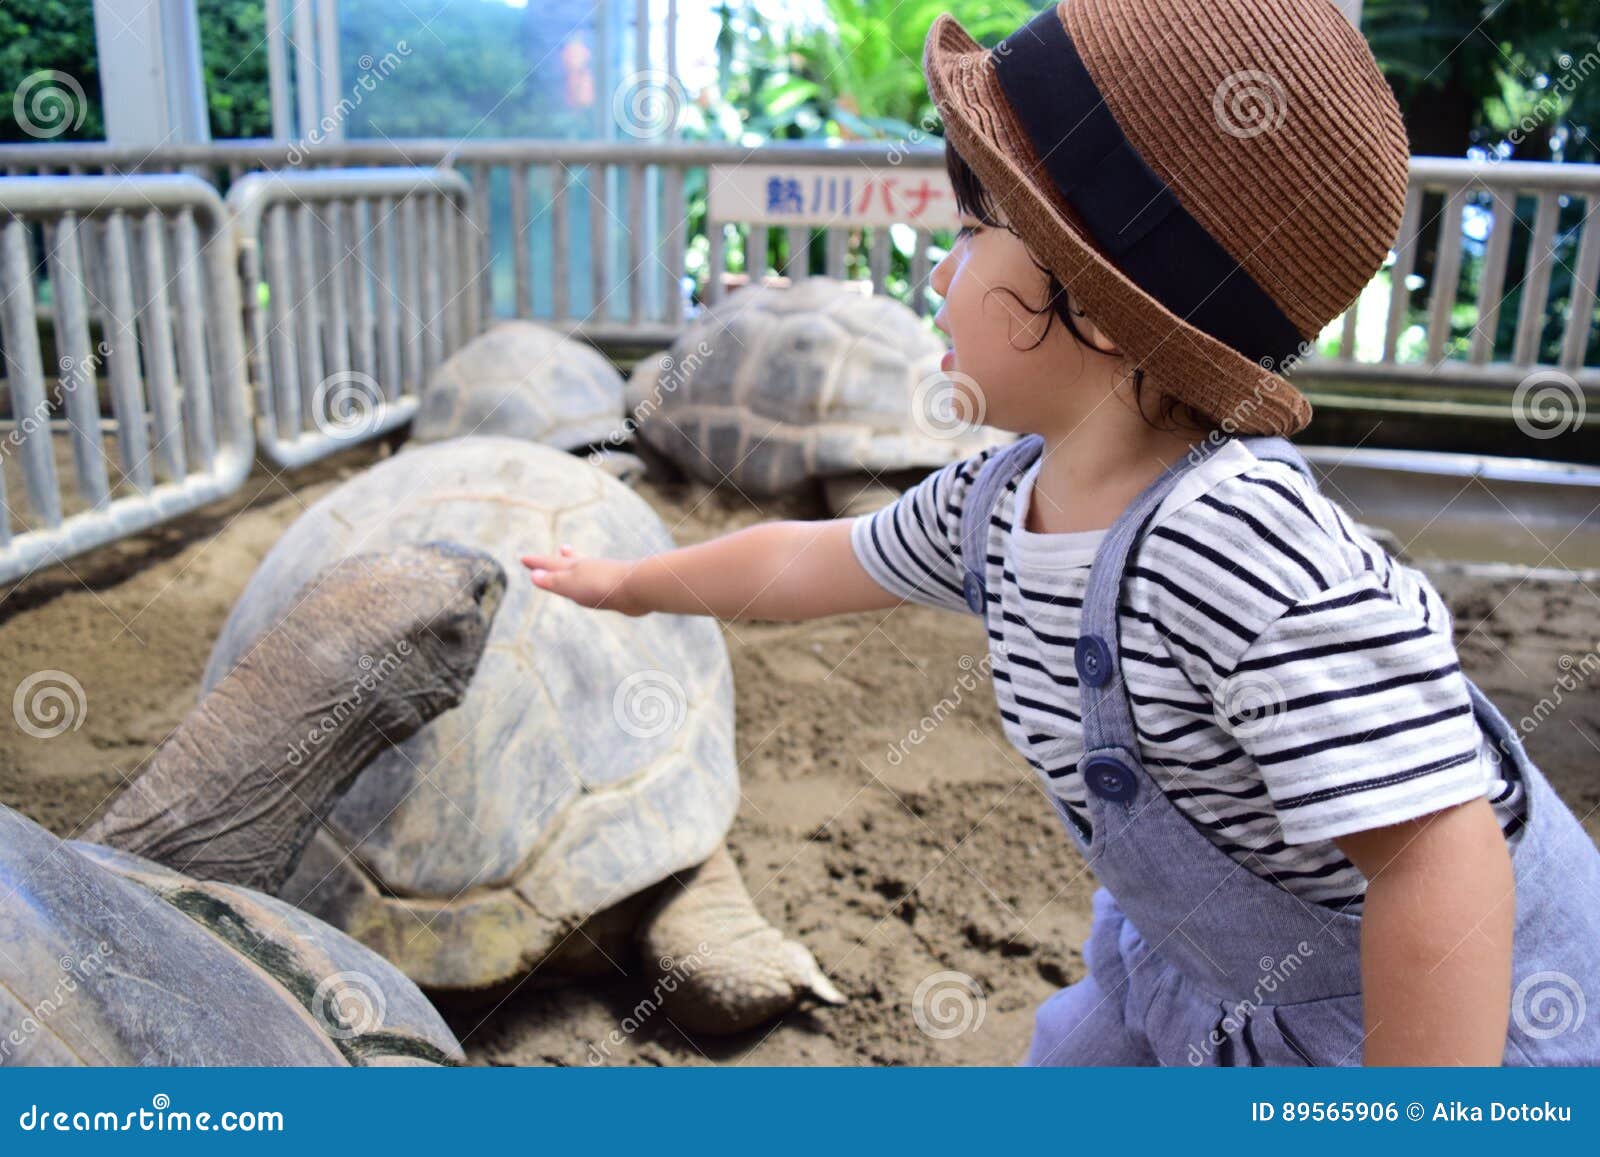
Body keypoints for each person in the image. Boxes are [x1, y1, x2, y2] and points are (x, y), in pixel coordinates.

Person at [521, 0, 1600, 1066]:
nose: (939, 274)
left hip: (1408, 1010)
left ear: (1103, 301)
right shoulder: (993, 500)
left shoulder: (1234, 545)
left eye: (975, 232)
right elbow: (811, 556)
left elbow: (1435, 849)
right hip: (1188, 965)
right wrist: (631, 579)